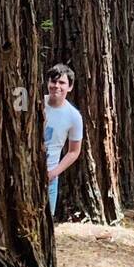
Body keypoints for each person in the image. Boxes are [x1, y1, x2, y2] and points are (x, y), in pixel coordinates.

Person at [43, 63, 83, 219]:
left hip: (50, 177)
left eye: (62, 83)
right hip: (26, 172)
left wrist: (54, 173)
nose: (56, 86)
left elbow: (74, 151)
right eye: (53, 81)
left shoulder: (74, 116)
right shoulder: (37, 104)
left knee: (46, 222)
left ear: (70, 87)